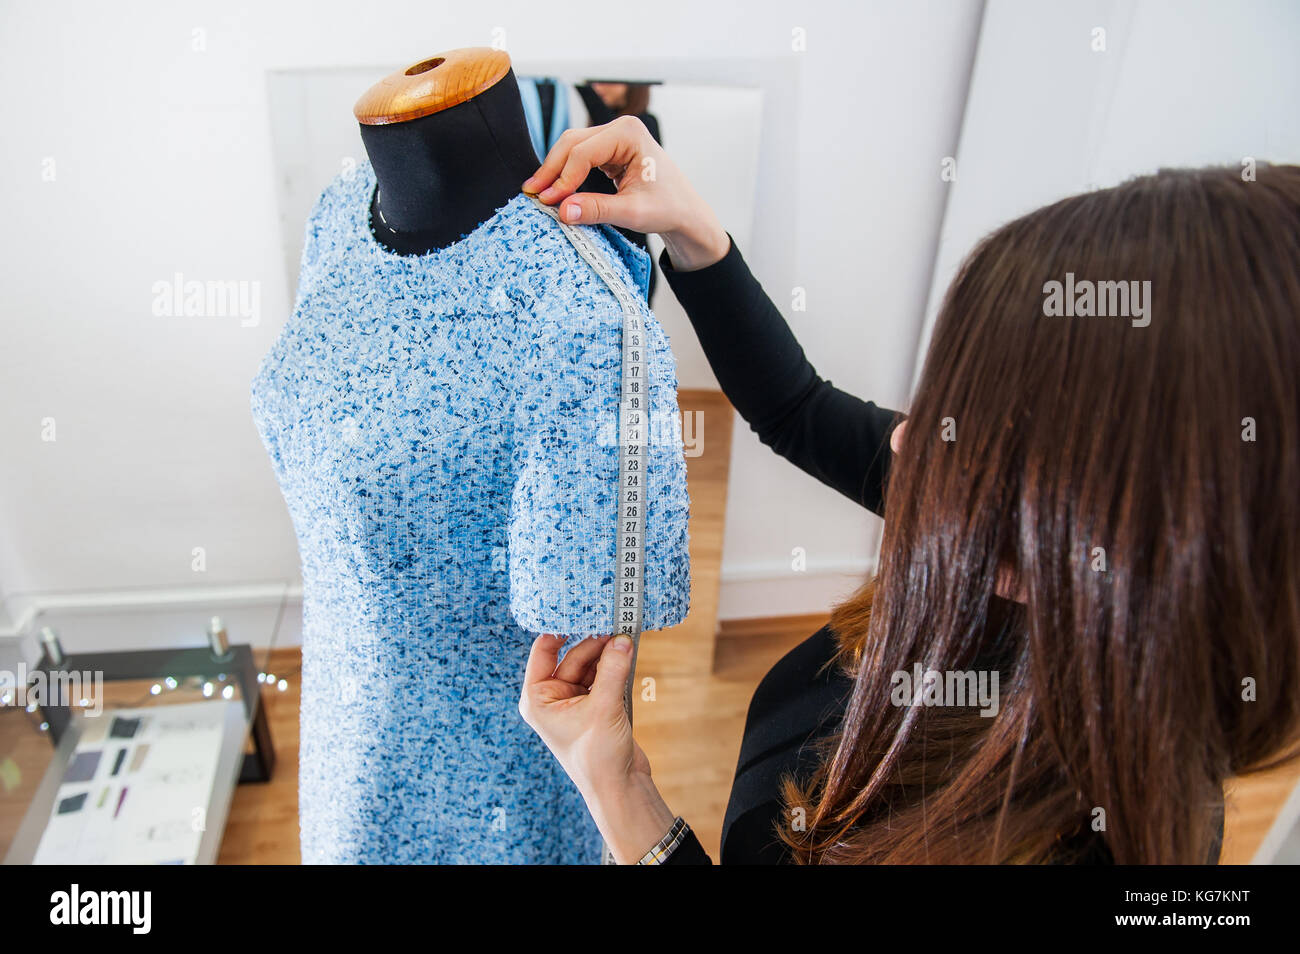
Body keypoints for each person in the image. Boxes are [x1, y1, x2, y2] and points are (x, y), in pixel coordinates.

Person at [518, 116, 1300, 864]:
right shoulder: (1004, 544)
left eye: (982, 430)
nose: (906, 437)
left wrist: (623, 795)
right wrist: (694, 233)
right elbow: (797, 408)